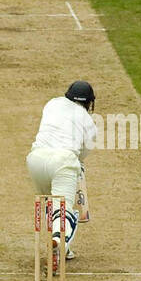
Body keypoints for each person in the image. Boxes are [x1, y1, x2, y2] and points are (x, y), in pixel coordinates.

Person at [27, 81, 97, 262]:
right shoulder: (88, 121)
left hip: (35, 159)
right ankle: (58, 241)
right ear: (89, 102)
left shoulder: (52, 103)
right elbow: (83, 153)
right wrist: (78, 165)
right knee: (65, 212)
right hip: (63, 162)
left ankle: (63, 249)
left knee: (50, 203)